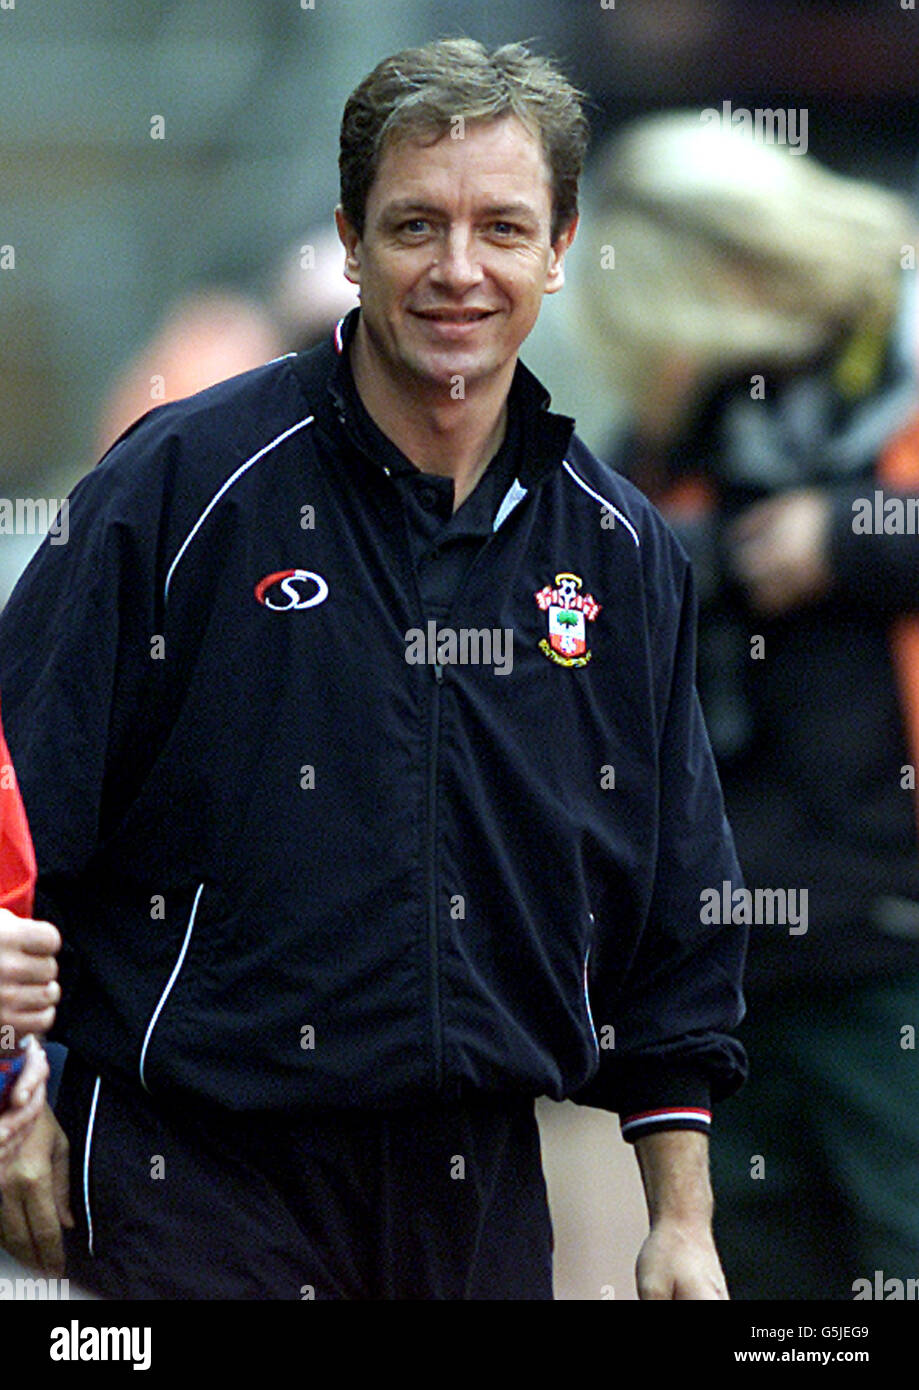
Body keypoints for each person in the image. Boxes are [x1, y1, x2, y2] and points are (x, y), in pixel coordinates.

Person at [0, 40, 746, 1300]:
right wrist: (15, 1096)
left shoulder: (618, 552)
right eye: (417, 225)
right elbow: (13, 783)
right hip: (197, 1178)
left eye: (502, 227)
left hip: (478, 1194)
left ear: (560, 248)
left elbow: (673, 904)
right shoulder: (183, 485)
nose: (459, 270)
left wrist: (682, 1219)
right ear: (349, 240)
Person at [581, 111, 919, 1299]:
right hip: (746, 954)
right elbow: (602, 578)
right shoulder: (695, 409)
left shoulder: (900, 348)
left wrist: (849, 540)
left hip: (888, 935)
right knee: (775, 1282)